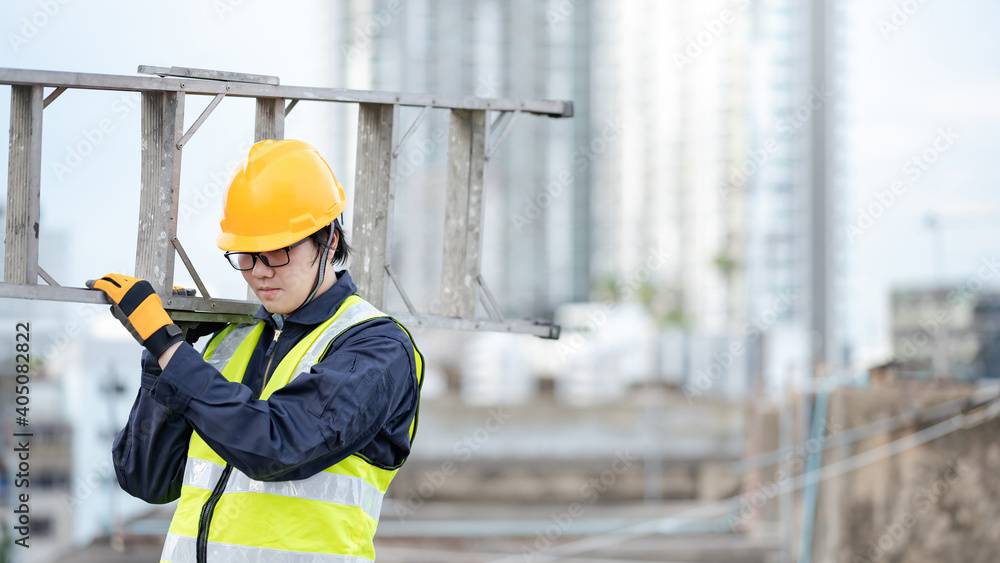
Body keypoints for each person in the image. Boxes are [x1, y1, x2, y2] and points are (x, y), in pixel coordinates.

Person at [90, 139, 423, 563]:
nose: (260, 271)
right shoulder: (232, 341)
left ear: (331, 243)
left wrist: (168, 348)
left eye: (278, 251)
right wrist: (162, 358)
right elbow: (148, 479)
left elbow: (276, 446)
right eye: (247, 255)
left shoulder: (376, 347)